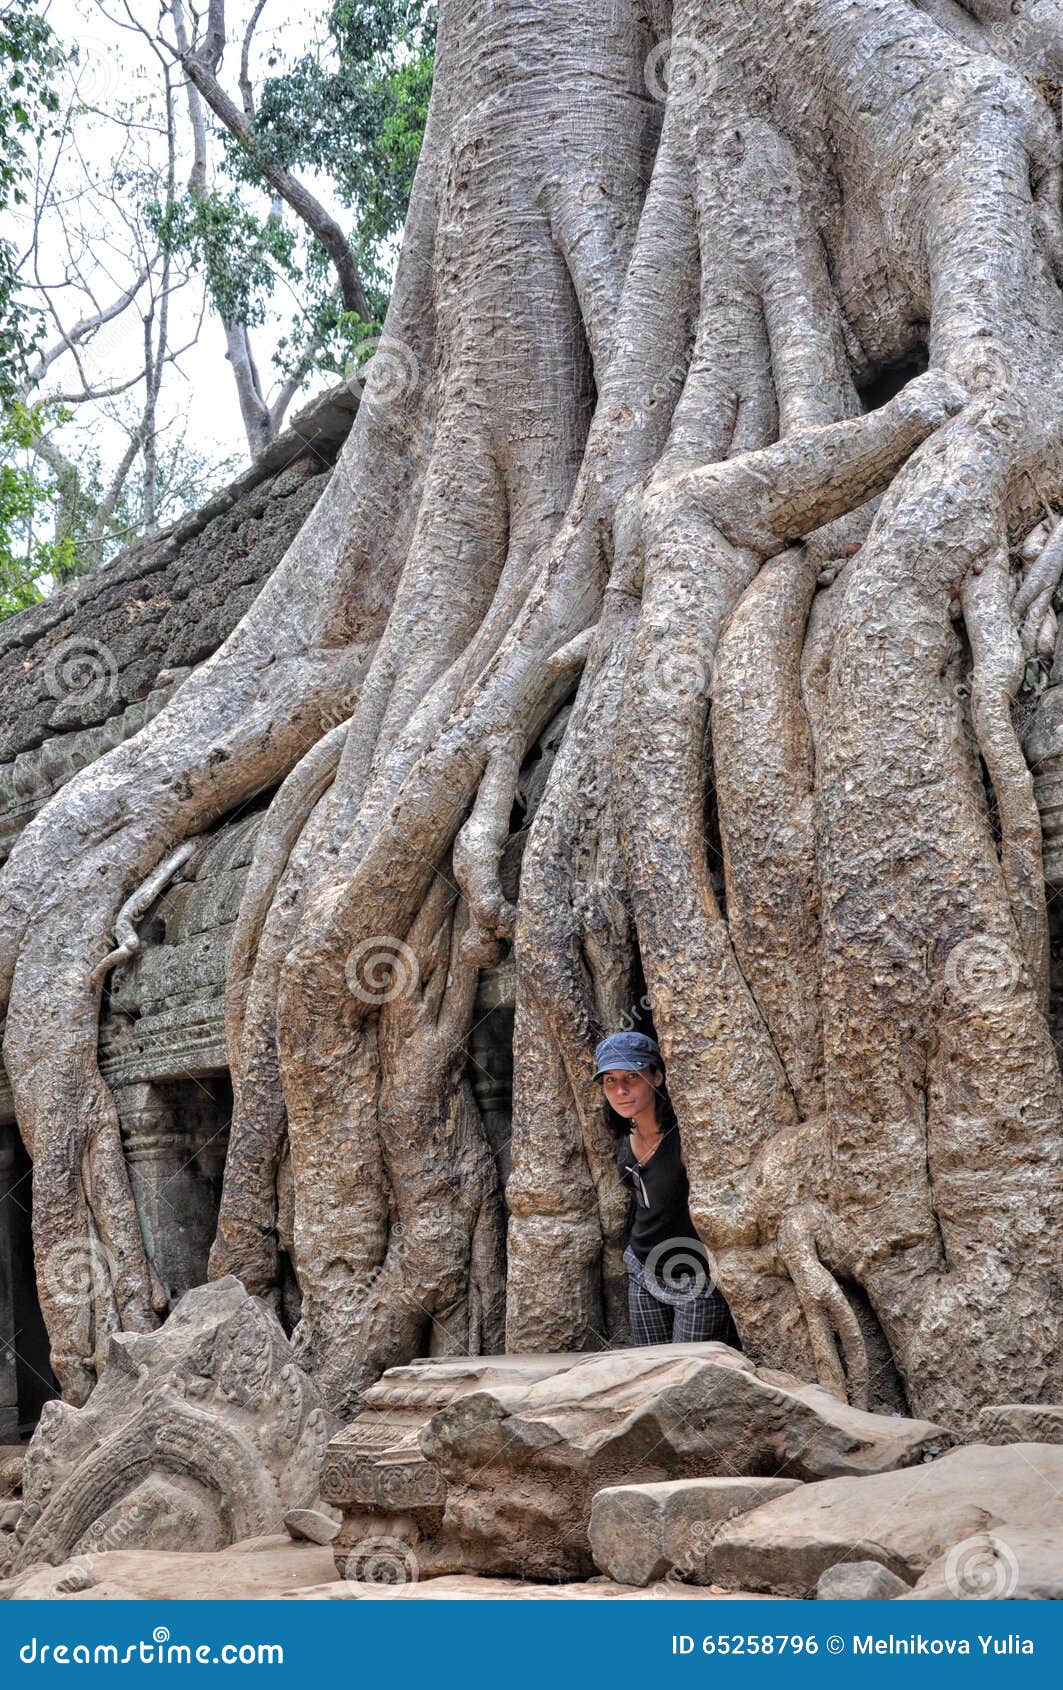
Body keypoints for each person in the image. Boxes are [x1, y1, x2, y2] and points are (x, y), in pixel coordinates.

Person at [593, 1030, 740, 1348]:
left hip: (695, 1275)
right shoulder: (626, 1137)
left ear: (657, 1076)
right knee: (652, 1370)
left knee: (689, 1375)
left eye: (632, 1076)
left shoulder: (688, 1138)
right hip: (642, 1270)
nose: (620, 1090)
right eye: (609, 1081)